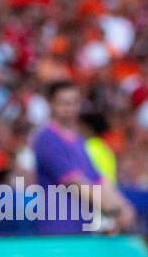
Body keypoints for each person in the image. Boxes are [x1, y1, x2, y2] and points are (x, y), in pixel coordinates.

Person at [30, 81, 136, 234]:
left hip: (81, 231)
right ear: (51, 104)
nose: (70, 109)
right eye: (64, 103)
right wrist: (116, 210)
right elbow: (77, 184)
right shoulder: (47, 140)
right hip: (58, 231)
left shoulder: (79, 141)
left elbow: (98, 180)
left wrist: (124, 206)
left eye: (74, 103)